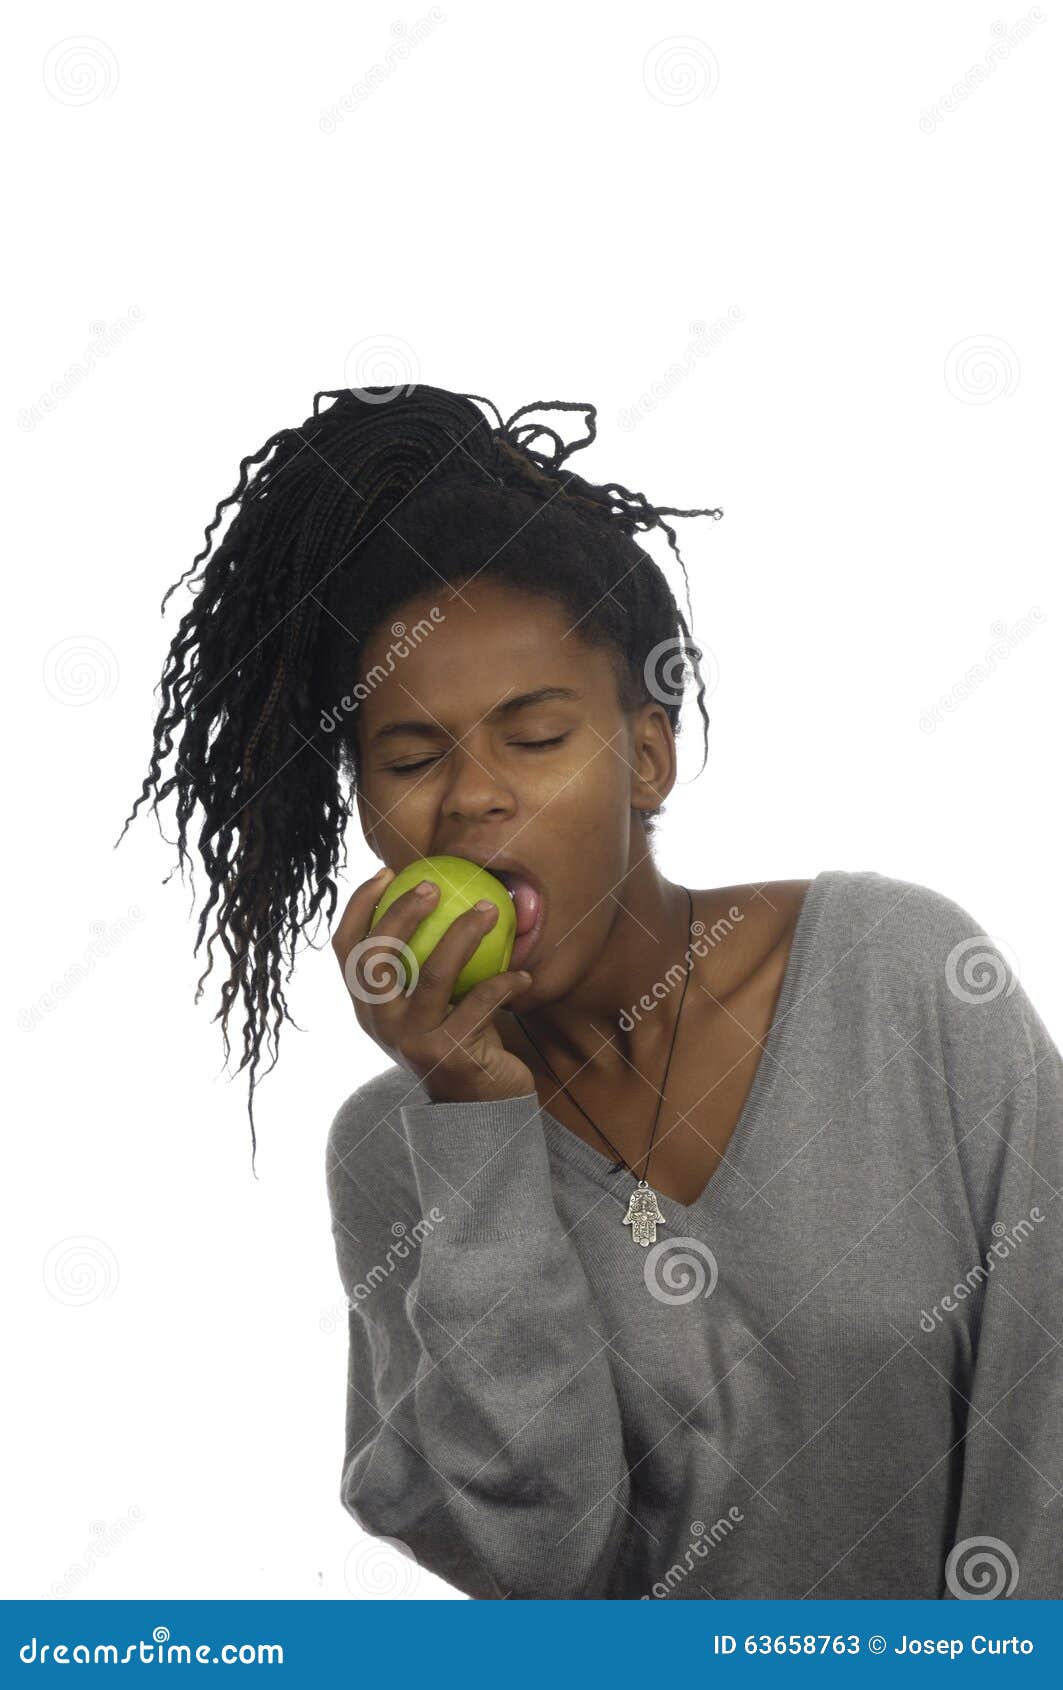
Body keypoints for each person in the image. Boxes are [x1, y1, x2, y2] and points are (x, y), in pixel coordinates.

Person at [126, 384, 1063, 1600]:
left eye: (534, 736)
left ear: (647, 754)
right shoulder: (394, 1151)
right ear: (366, 808)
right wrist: (470, 1114)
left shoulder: (903, 979)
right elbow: (542, 1567)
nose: (470, 798)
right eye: (411, 758)